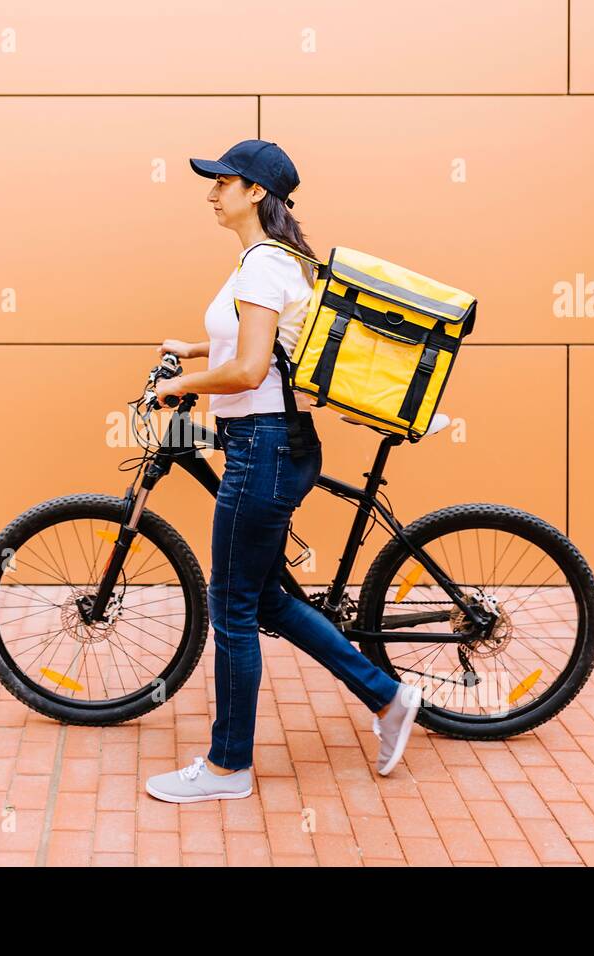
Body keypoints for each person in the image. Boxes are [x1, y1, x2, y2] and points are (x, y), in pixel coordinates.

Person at [144, 140, 423, 804]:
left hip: (263, 448)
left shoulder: (264, 265)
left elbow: (246, 371)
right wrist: (192, 347)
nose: (212, 192)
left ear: (256, 193)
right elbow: (262, 351)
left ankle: (227, 767)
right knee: (265, 598)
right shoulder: (268, 260)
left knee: (233, 609)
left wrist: (180, 384)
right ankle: (388, 698)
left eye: (224, 181)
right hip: (273, 443)